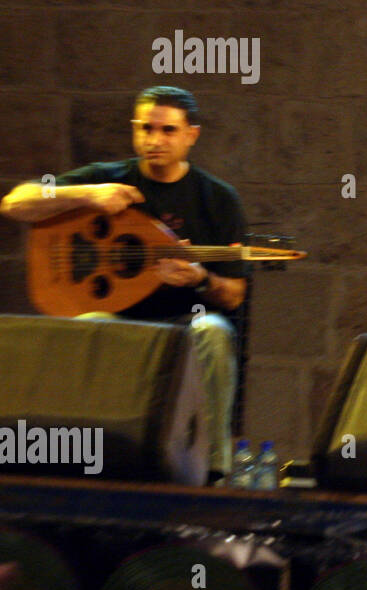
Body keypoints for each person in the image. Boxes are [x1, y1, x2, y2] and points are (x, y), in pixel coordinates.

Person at [0, 86, 248, 477]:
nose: (155, 139)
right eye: (145, 128)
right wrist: (88, 195)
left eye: (168, 130)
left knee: (213, 331)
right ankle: (80, 461)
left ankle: (214, 470)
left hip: (185, 321)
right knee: (88, 325)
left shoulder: (217, 198)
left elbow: (233, 296)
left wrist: (200, 278)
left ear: (191, 135)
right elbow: (15, 203)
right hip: (116, 316)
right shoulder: (108, 178)